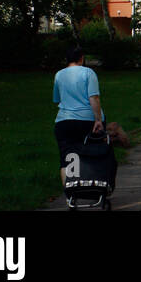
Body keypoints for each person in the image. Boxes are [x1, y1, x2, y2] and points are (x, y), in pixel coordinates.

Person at [53, 46, 104, 185]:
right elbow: (94, 97)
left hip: (64, 121)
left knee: (68, 159)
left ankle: (70, 195)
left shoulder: (59, 75)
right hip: (87, 121)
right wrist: (98, 120)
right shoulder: (88, 73)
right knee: (92, 155)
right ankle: (94, 187)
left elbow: (57, 99)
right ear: (81, 58)